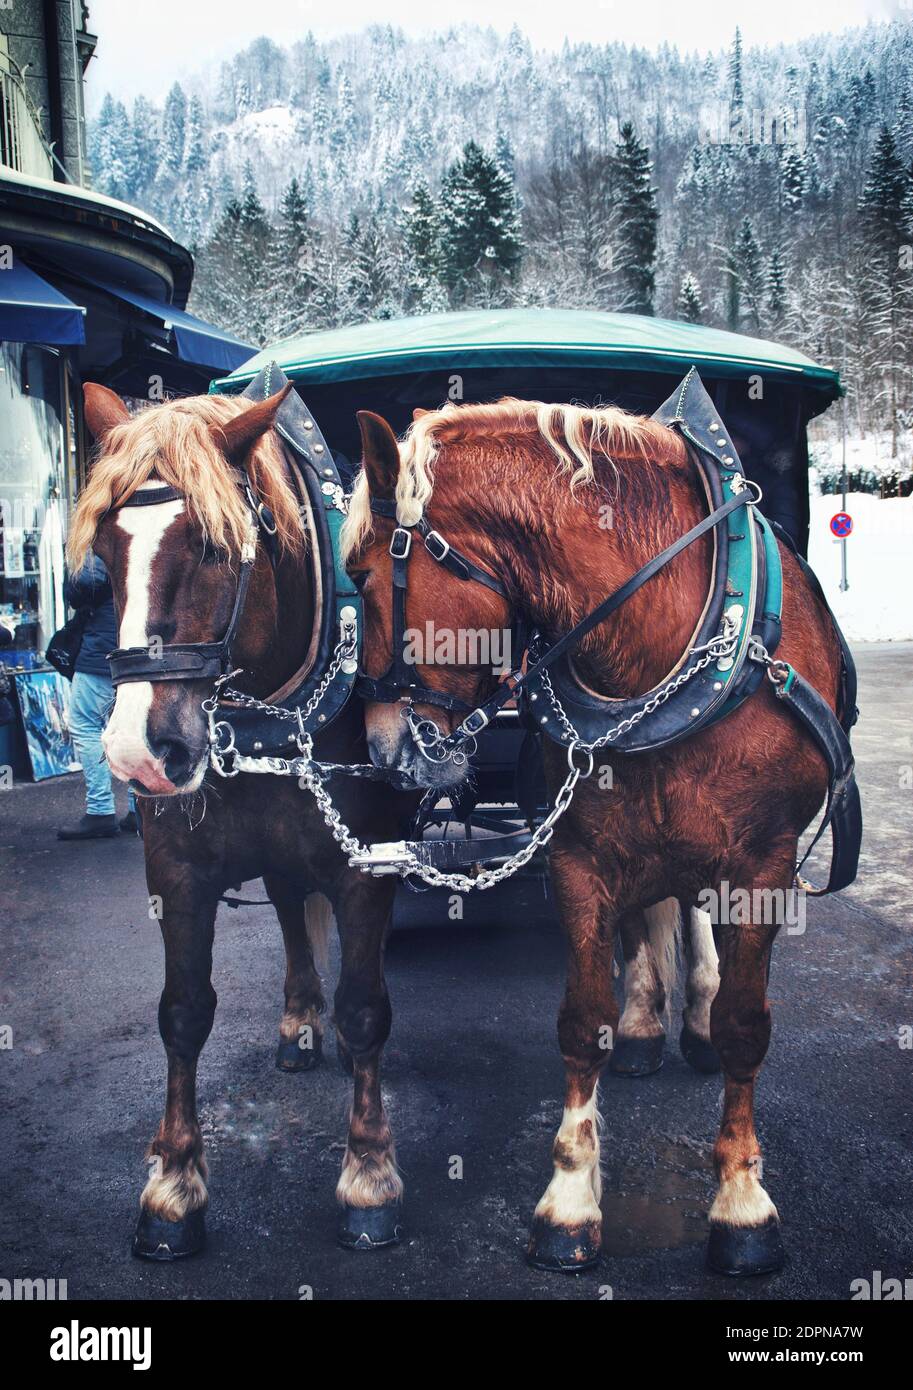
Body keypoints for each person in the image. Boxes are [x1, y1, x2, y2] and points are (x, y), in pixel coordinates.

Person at [57, 552, 137, 840]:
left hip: (102, 652)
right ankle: (137, 810)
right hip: (136, 651)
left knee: (84, 723)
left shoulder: (103, 536)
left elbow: (83, 586)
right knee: (132, 729)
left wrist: (76, 560)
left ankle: (101, 810)